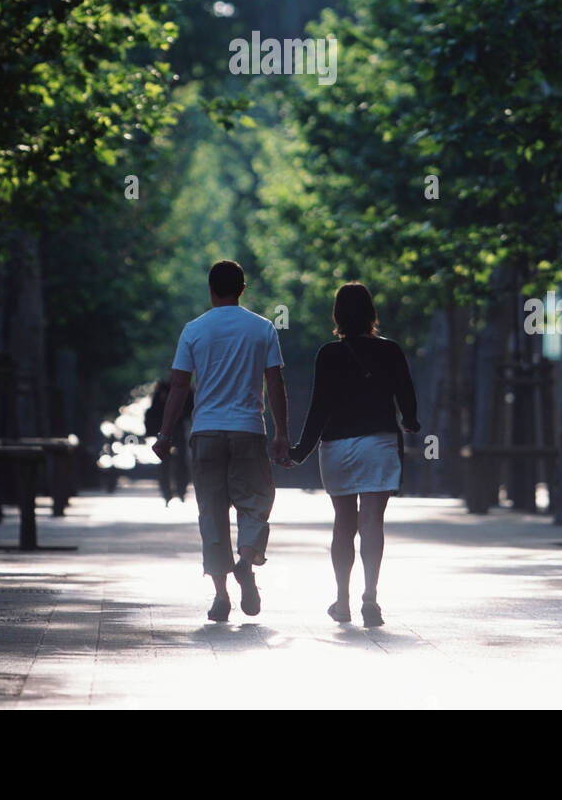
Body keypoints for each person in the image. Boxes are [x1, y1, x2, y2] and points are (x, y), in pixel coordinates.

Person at [152, 260, 291, 622]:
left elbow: (180, 385)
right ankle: (245, 562)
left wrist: (165, 435)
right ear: (242, 289)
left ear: (211, 289)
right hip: (248, 429)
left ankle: (220, 597)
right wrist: (281, 433)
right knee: (255, 501)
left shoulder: (194, 330)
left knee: (212, 513)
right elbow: (275, 382)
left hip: (206, 432)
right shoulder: (263, 328)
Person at [289, 281, 419, 628]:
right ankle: (371, 598)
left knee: (343, 523)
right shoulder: (390, 350)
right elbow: (406, 395)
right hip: (378, 442)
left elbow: (318, 408)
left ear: (338, 314)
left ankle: (342, 600)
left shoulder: (328, 354)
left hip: (337, 447)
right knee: (372, 521)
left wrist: (301, 450)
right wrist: (411, 421)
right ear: (371, 313)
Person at [146, 378, 193, 506]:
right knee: (165, 463)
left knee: (181, 462)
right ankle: (167, 492)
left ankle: (180, 490)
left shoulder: (187, 389)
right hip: (164, 430)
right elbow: (154, 410)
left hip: (177, 431)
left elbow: (190, 409)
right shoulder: (163, 388)